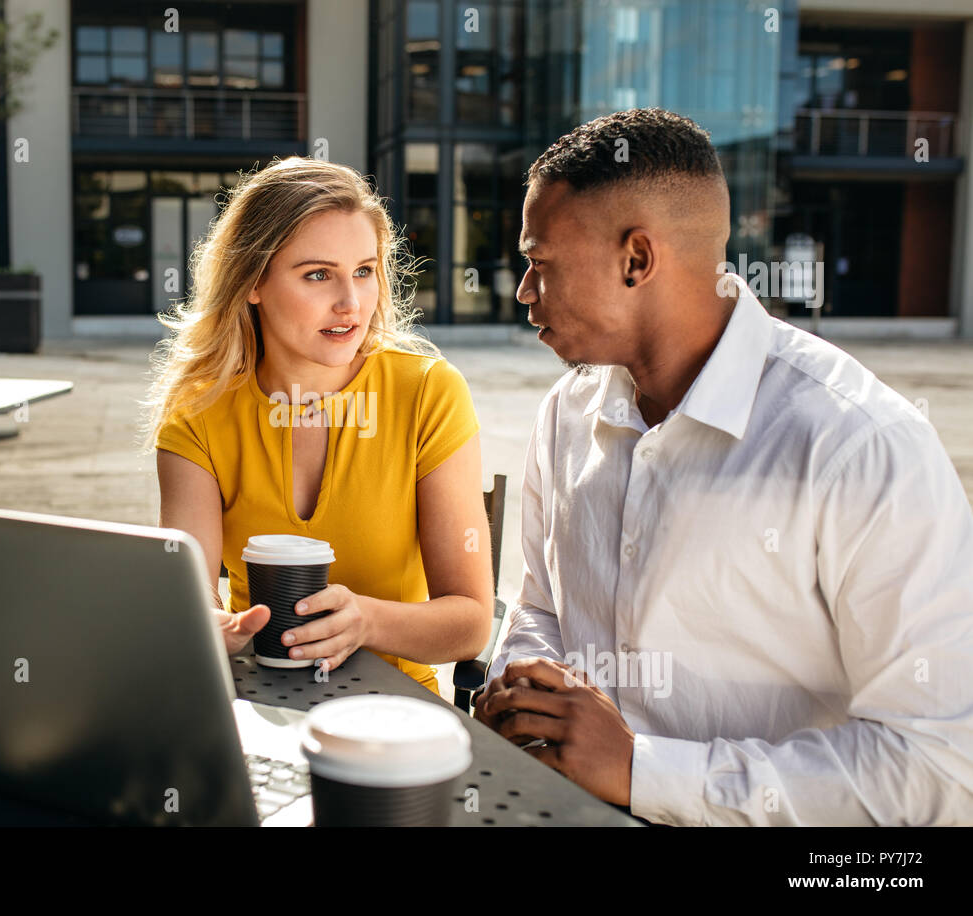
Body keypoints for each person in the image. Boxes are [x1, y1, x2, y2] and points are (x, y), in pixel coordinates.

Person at [475, 108, 973, 825]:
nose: (523, 290)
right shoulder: (567, 411)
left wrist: (642, 771)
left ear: (636, 260)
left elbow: (937, 768)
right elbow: (543, 608)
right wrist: (526, 689)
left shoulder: (859, 444)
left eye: (541, 263)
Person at [143, 157, 494, 693]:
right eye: (317, 274)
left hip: (396, 711)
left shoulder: (427, 393)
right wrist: (203, 622)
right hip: (255, 698)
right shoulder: (199, 410)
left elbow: (470, 623)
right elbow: (188, 590)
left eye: (364, 270)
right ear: (253, 281)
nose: (351, 303)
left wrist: (367, 622)